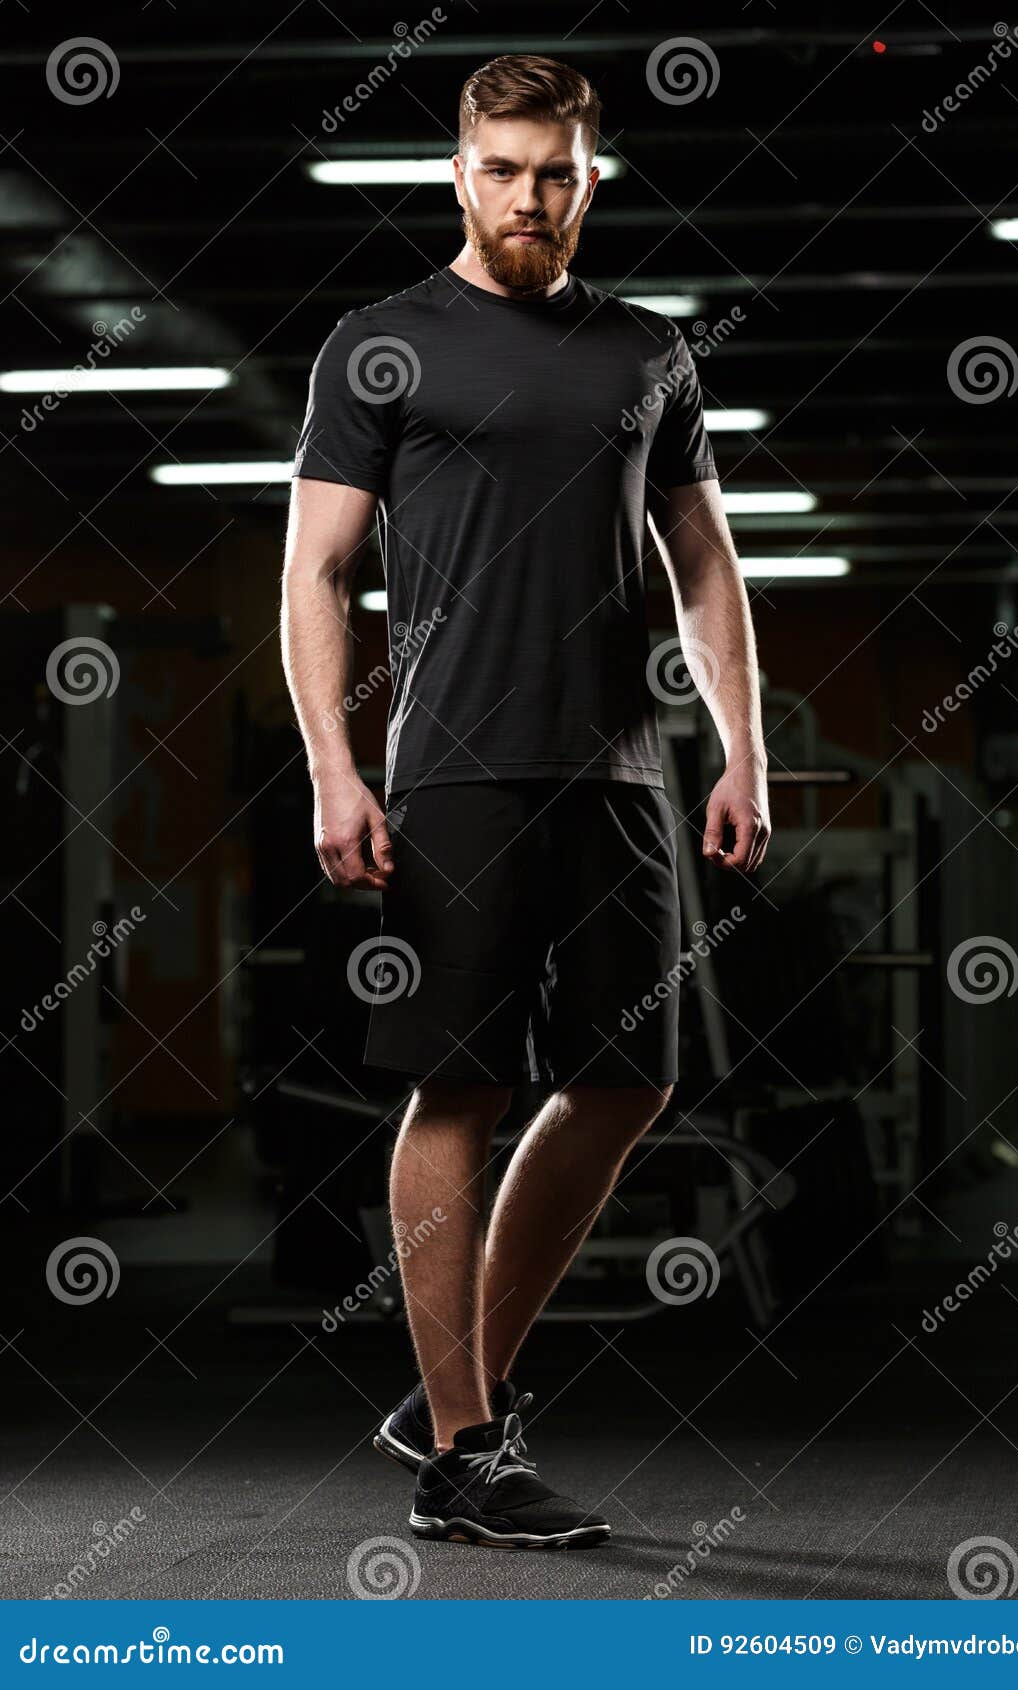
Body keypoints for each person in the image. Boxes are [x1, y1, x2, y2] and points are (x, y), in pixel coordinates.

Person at [281, 53, 769, 1551]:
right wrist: (333, 764)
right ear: (458, 177)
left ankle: (454, 1399)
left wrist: (744, 747)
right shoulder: (383, 345)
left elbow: (704, 559)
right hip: (454, 769)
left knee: (631, 1083)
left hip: (622, 769)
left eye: (556, 172)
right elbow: (314, 570)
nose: (530, 198)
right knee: (461, 1087)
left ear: (588, 179)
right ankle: (464, 1448)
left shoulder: (647, 353)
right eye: (503, 169)